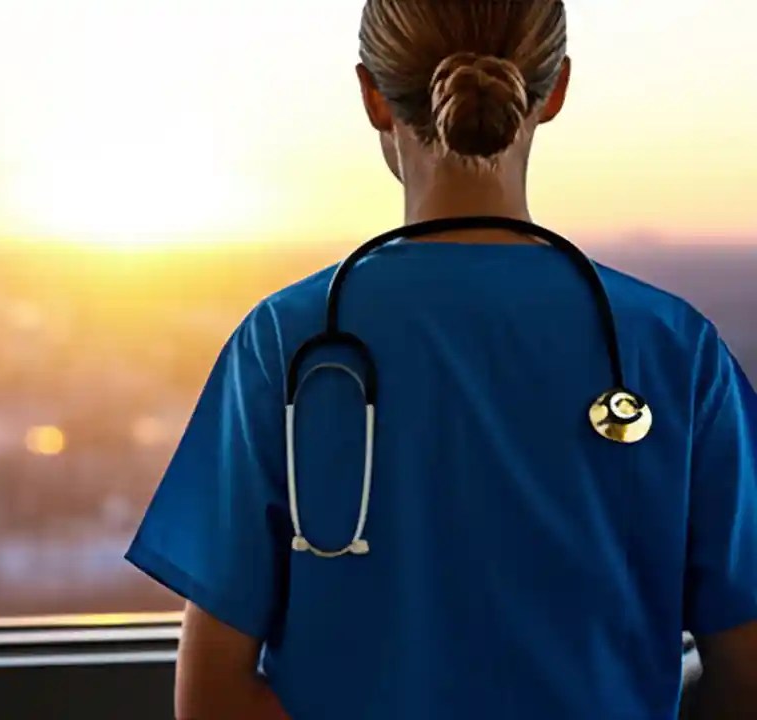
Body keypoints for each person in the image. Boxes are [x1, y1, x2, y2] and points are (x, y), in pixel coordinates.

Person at [124, 1, 757, 718]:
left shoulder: (287, 343)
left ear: (371, 96)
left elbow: (211, 698)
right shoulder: (672, 350)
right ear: (554, 92)